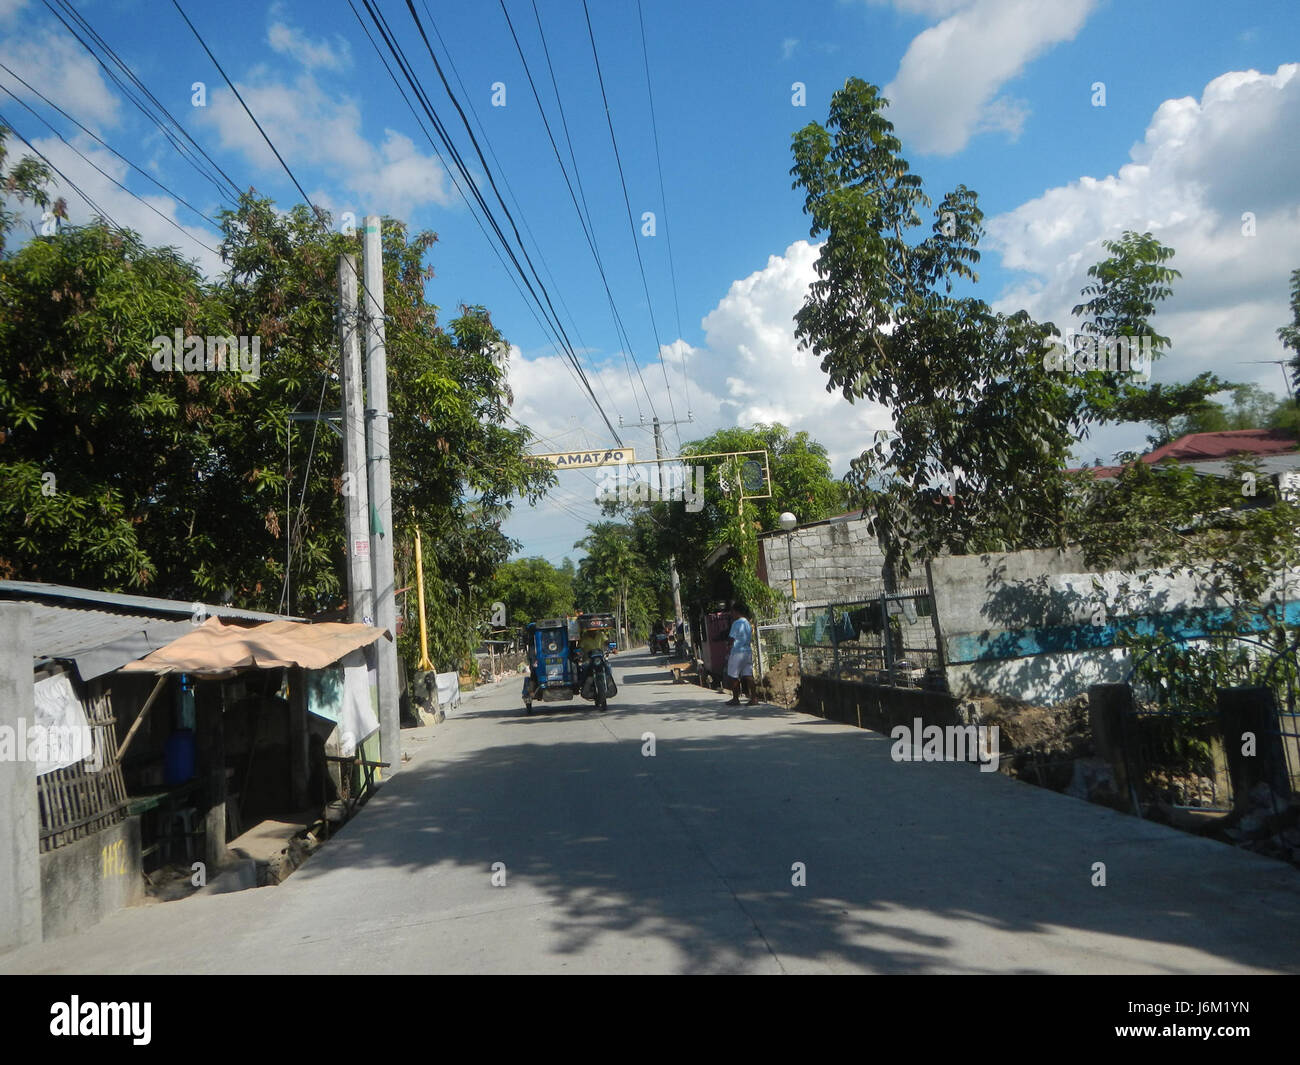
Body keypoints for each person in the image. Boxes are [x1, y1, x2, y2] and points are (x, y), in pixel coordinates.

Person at [723, 601, 756, 706]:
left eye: (732, 612)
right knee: (748, 675)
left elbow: (731, 638)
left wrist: (727, 644)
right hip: (747, 651)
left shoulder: (736, 623)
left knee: (733, 676)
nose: (732, 614)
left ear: (737, 612)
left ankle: (735, 698)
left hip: (737, 652)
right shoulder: (747, 623)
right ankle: (754, 698)